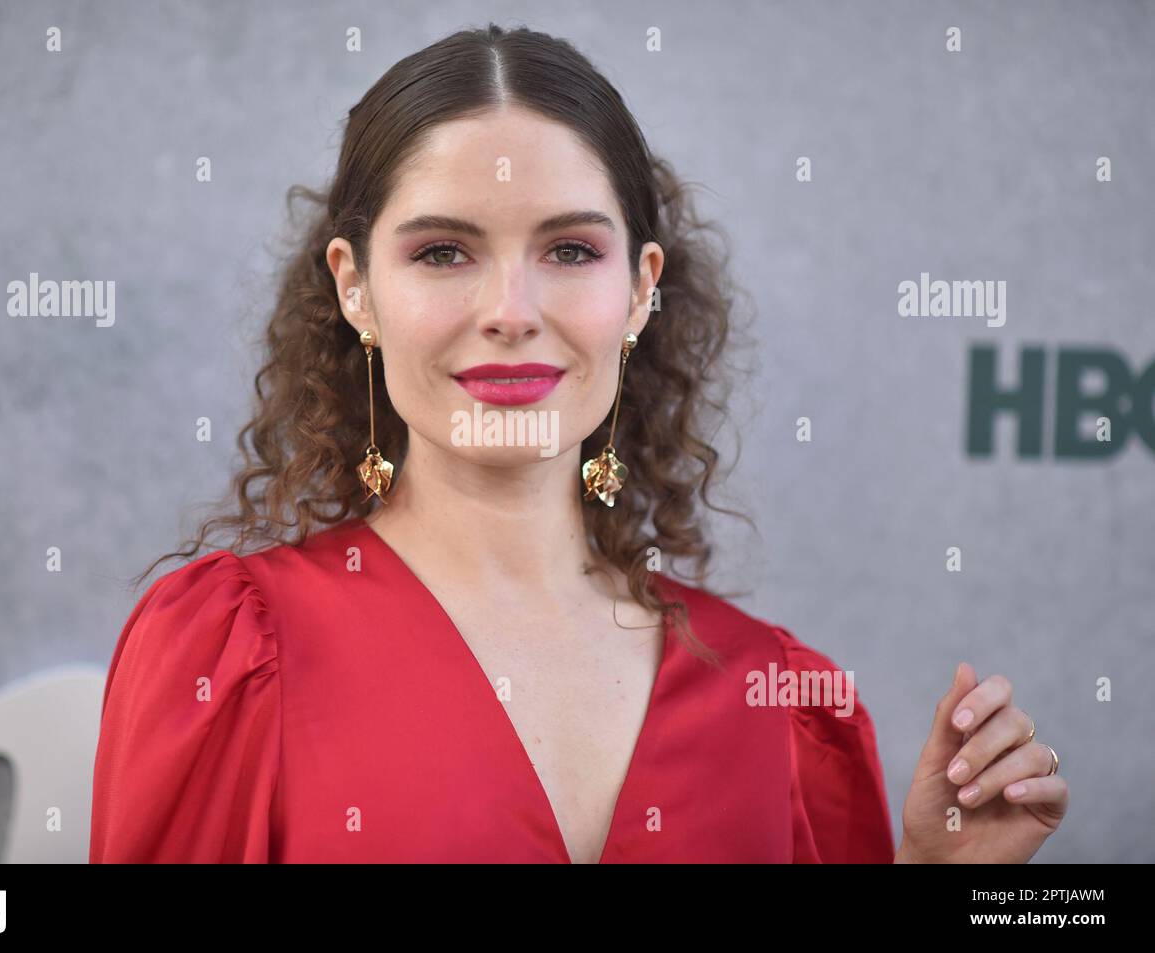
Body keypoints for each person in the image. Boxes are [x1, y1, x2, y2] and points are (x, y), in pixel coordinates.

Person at [89, 23, 1067, 864]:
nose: (511, 311)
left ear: (640, 288)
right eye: (442, 251)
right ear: (354, 287)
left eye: (569, 251)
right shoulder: (235, 655)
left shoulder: (777, 701)